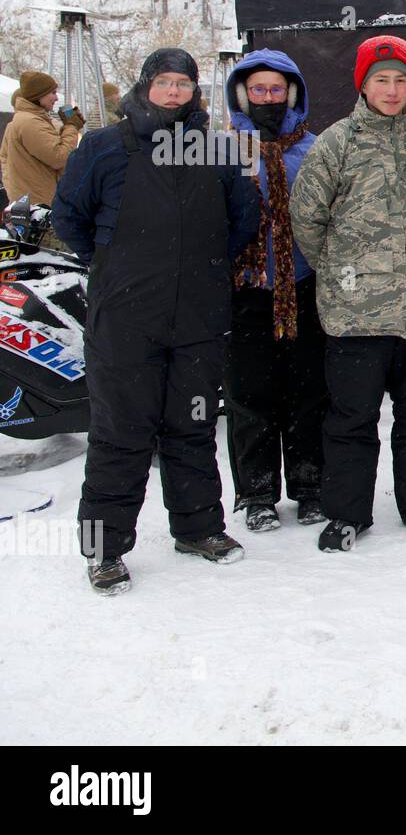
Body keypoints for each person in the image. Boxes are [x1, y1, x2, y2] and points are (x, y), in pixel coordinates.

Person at [52, 48, 259, 594]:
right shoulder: (102, 146)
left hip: (197, 317)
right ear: (145, 87)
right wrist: (120, 269)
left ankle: (198, 530)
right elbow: (69, 220)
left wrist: (200, 269)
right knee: (120, 434)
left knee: (191, 427)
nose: (174, 93)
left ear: (196, 92)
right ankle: (104, 551)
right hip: (125, 319)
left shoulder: (219, 150)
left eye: (184, 85)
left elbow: (242, 223)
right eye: (164, 83)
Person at [289, 35, 406, 551]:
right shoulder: (336, 144)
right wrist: (348, 273)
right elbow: (308, 218)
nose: (391, 89)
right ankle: (346, 514)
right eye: (381, 79)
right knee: (351, 419)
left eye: (400, 79)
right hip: (356, 315)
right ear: (363, 84)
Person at [223, 49, 328, 532]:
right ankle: (256, 492)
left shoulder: (315, 149)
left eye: (277, 89)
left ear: (293, 93)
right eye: (259, 90)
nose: (268, 97)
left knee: (308, 392)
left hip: (305, 288)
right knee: (250, 395)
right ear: (243, 95)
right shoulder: (220, 150)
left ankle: (310, 486)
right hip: (245, 293)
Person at [1, 71, 83, 249]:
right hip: (40, 210)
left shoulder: (35, 120)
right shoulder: (30, 123)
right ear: (38, 95)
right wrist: (70, 126)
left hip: (37, 204)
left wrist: (67, 128)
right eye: (52, 92)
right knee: (60, 259)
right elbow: (59, 158)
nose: (56, 97)